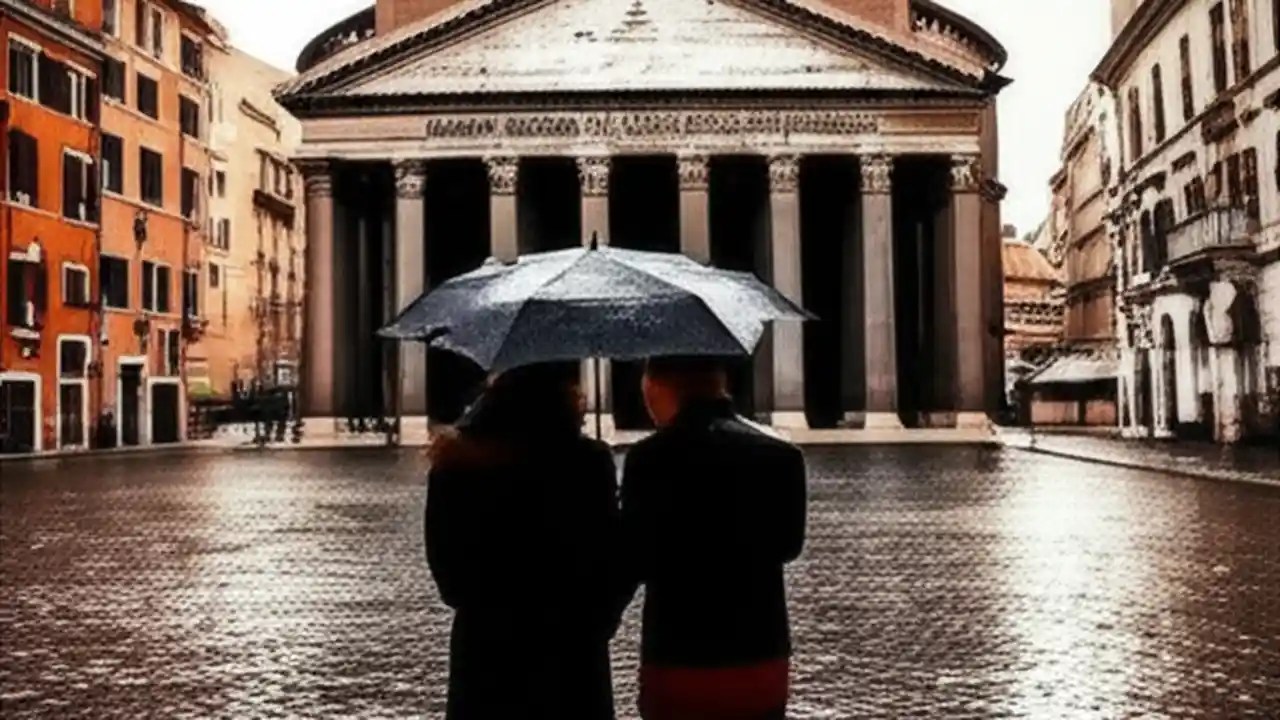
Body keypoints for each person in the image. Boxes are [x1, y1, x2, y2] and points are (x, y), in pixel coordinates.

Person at [425, 363, 629, 719]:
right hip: (571, 650)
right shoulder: (589, 463)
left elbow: (450, 581)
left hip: (486, 654)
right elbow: (612, 562)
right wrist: (599, 624)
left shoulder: (455, 465)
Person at [620, 356, 808, 720]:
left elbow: (635, 556)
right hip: (759, 654)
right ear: (720, 383)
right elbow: (789, 546)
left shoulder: (648, 459)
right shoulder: (782, 457)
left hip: (678, 654)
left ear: (657, 387)